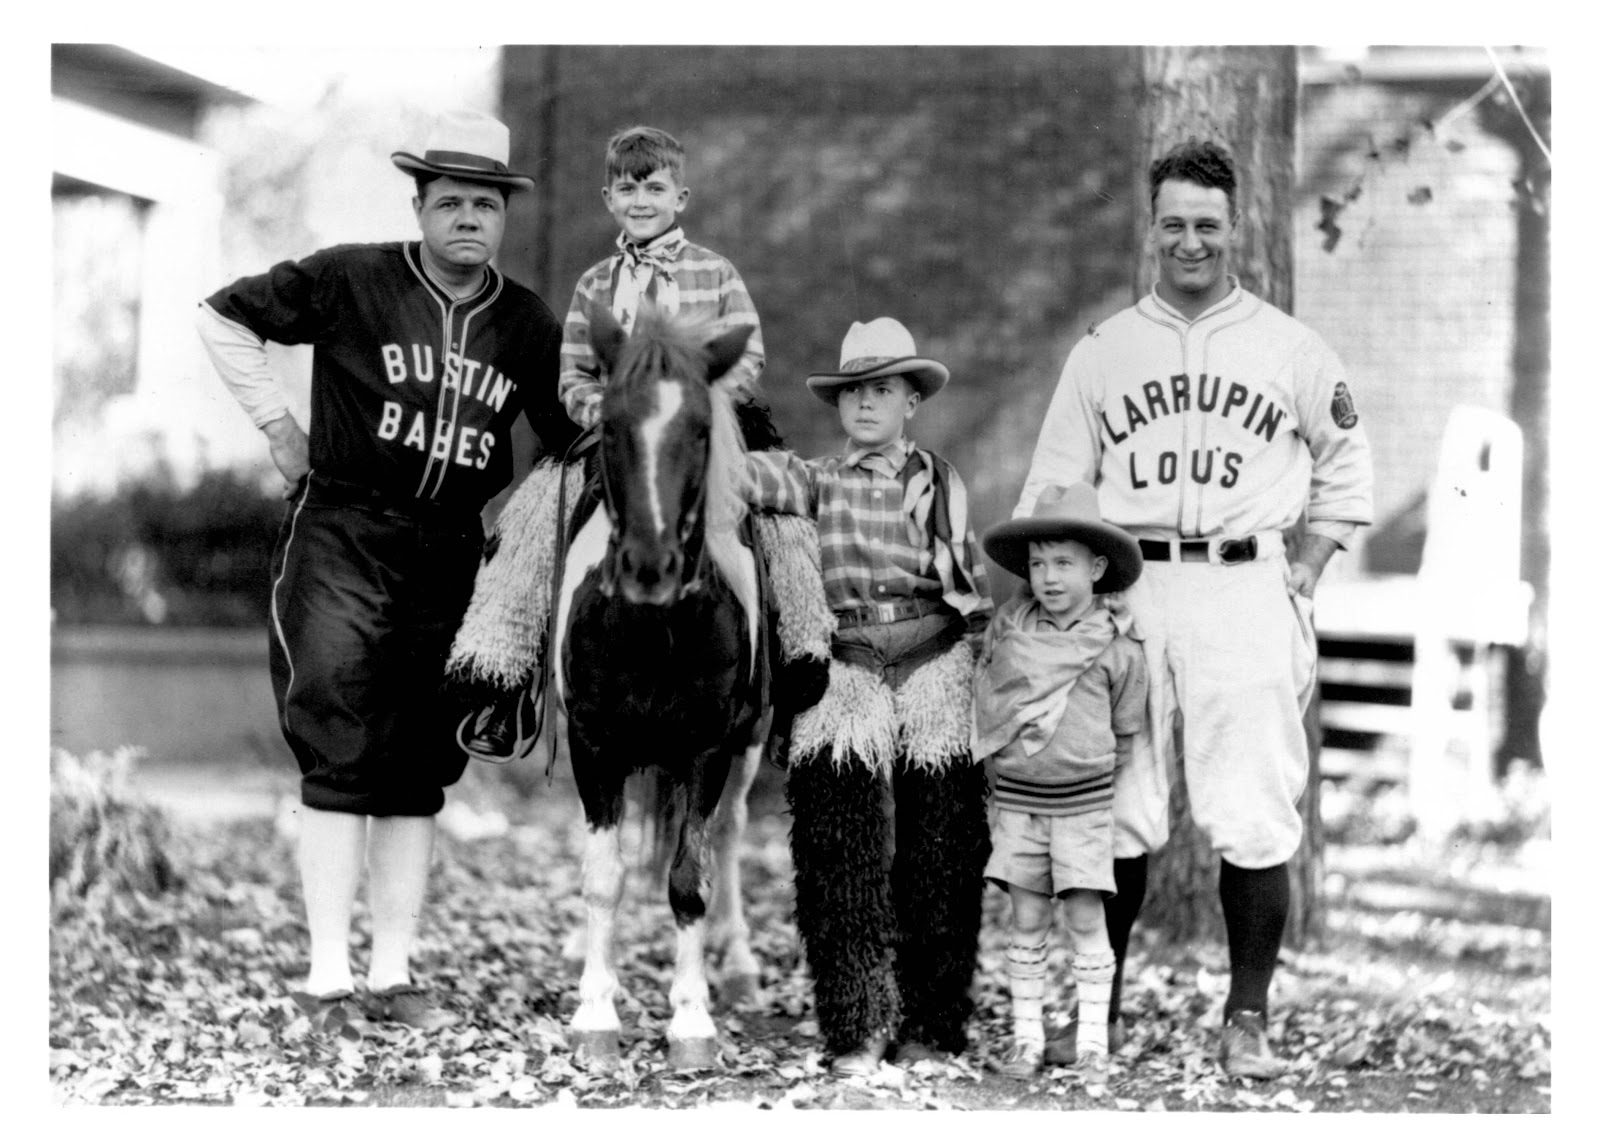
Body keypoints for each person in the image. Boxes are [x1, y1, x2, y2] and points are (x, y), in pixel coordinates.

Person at [195, 109, 578, 1033]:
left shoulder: (526, 321)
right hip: (343, 532)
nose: (468, 221)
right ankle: (329, 976)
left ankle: (396, 971)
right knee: (339, 739)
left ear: (502, 215)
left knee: (416, 763)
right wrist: (282, 431)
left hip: (451, 549)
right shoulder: (352, 277)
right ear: (419, 205)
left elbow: (572, 442)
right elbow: (220, 316)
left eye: (485, 205)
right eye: (450, 202)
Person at [1014, 139, 1373, 1078]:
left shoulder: (1290, 346)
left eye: (1206, 224)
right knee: (1116, 804)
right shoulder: (1105, 350)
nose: (1190, 241)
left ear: (1236, 228)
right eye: (1172, 223)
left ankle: (1246, 1017)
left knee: (1252, 807)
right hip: (1131, 587)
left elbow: (1346, 467)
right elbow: (1055, 481)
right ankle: (1102, 1013)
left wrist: (1306, 568)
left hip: (1245, 582)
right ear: (1153, 227)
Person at [443, 124, 828, 758]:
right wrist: (605, 411)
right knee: (534, 513)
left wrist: (693, 409)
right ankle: (501, 673)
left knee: (782, 521)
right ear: (608, 198)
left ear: (681, 197)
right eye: (628, 189)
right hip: (614, 437)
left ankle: (796, 670)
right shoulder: (596, 285)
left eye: (655, 187)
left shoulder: (716, 273)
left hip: (706, 428)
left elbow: (748, 354)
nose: (641, 200)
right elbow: (571, 371)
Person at [744, 317, 993, 1076]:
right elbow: (742, 476)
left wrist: (982, 667)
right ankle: (855, 1022)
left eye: (882, 389)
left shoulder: (939, 479)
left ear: (911, 399)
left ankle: (932, 1020)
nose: (865, 403)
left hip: (932, 652)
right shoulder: (814, 478)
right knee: (836, 838)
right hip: (848, 657)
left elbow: (968, 586)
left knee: (944, 842)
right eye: (853, 390)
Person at [973, 483, 1147, 1080]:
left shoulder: (1116, 646)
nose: (1048, 577)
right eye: (1038, 563)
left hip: (1083, 809)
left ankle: (1094, 1039)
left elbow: (1125, 727)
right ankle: (1026, 1036)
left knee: (1083, 919)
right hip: (1020, 803)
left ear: (1097, 568)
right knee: (1026, 919)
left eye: (1064, 563)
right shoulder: (1011, 631)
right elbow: (990, 701)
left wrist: (1086, 772)